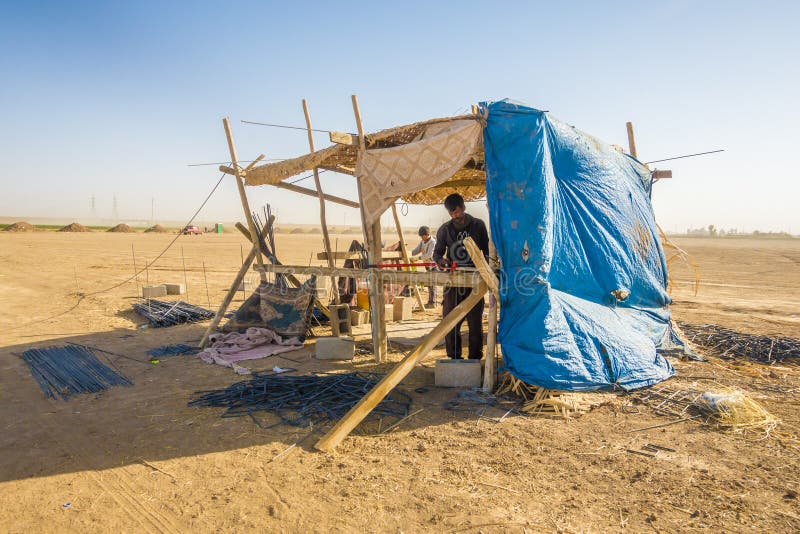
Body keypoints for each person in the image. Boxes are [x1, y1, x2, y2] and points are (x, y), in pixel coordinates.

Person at [432, 193, 490, 359]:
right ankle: (454, 357)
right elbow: (437, 254)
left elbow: (486, 252)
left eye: (456, 211)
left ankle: (475, 358)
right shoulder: (444, 229)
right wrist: (440, 261)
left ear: (463, 207)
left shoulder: (478, 225)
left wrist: (481, 266)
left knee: (475, 322)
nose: (454, 215)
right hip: (453, 282)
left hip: (475, 282)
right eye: (451, 213)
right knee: (450, 321)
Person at [410, 226, 437, 306]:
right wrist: (408, 254)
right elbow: (416, 250)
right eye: (421, 236)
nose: (421, 237)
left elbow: (429, 255)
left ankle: (433, 303)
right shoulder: (422, 242)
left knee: (432, 283)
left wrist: (418, 258)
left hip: (433, 265)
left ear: (427, 234)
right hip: (427, 265)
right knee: (429, 283)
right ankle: (431, 302)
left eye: (422, 236)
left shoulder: (432, 242)